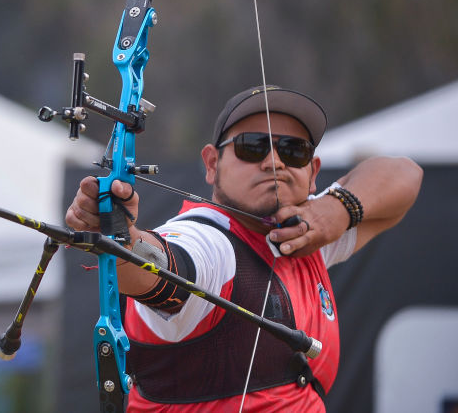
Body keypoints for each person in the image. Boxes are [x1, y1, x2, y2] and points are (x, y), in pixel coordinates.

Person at [64, 84, 422, 411]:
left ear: (313, 172)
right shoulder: (210, 243)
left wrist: (338, 209)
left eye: (293, 150)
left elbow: (405, 174)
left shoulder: (306, 233)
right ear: (212, 163)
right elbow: (168, 269)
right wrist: (120, 236)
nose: (274, 161)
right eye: (252, 146)